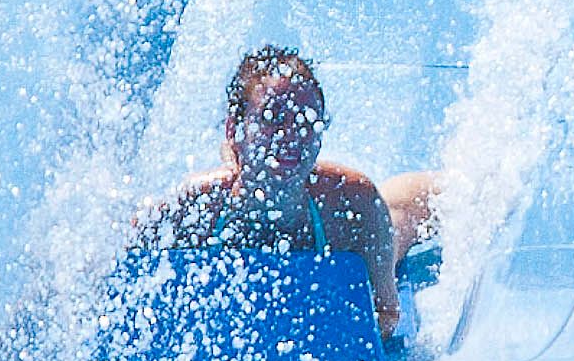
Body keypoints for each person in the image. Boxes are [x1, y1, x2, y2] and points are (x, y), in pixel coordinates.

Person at [127, 49, 435, 341]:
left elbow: (386, 315)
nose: (291, 136)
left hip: (344, 210)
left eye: (305, 121)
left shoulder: (353, 204)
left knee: (399, 216)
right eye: (273, 118)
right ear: (234, 126)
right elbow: (120, 258)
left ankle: (453, 180)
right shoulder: (195, 207)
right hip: (238, 169)